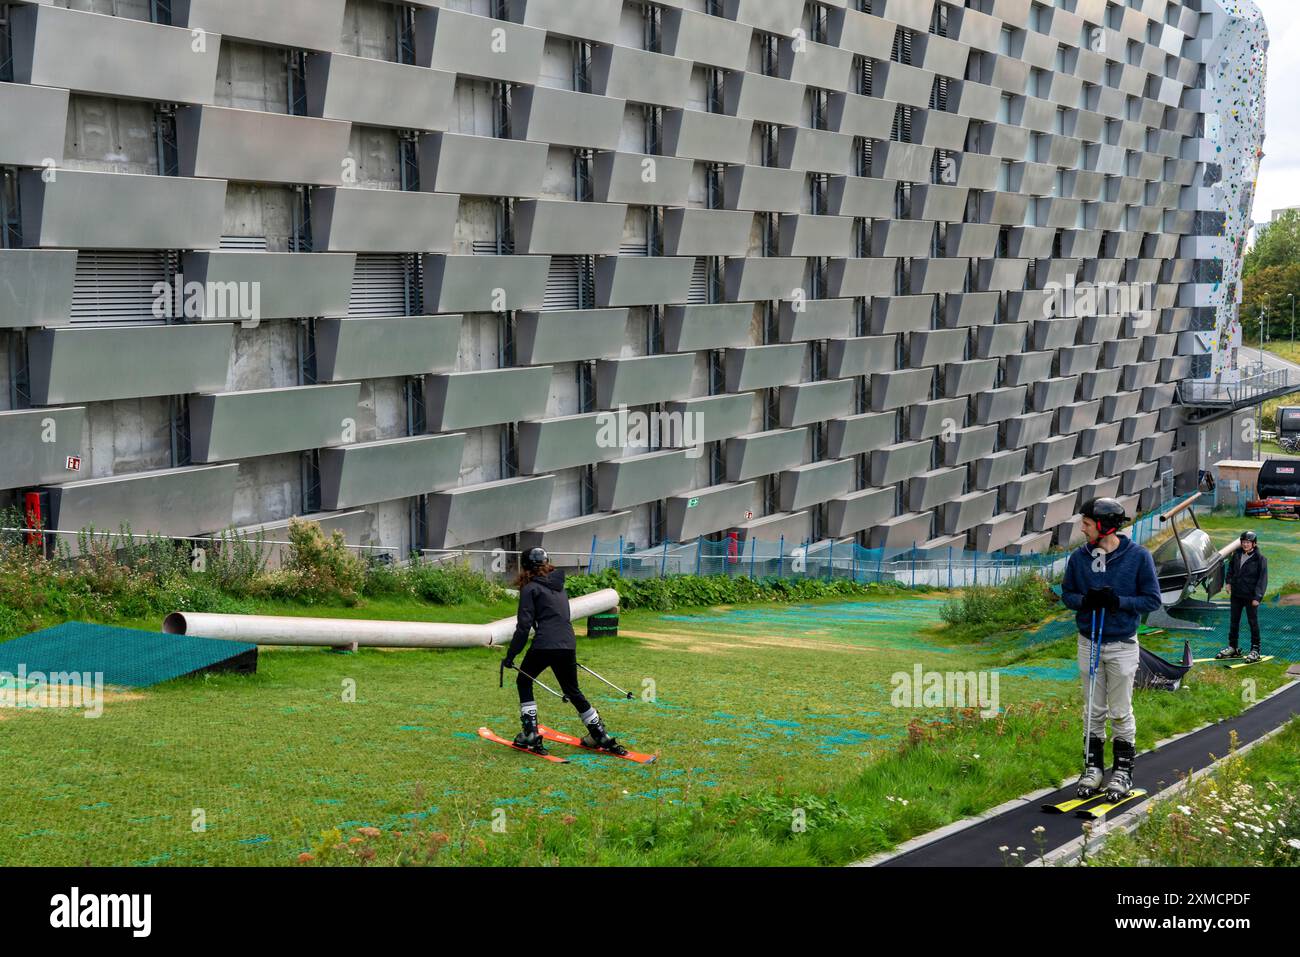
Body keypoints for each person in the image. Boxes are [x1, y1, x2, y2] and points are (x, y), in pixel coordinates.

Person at [1060, 498, 1163, 800]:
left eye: (1087, 524)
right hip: (1089, 642)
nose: (1082, 528)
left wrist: (1119, 602)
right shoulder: (1080, 558)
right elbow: (1068, 594)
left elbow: (1152, 600)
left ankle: (1123, 770)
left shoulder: (1138, 557)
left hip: (1122, 644)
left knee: (1119, 711)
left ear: (1104, 526)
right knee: (1092, 708)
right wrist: (1085, 601)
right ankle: (1093, 768)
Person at [503, 547, 626, 756]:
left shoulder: (530, 588)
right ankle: (599, 735)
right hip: (567, 643)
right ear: (546, 562)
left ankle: (530, 734)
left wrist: (511, 655)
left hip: (544, 644)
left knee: (524, 680)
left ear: (524, 567)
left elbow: (523, 627)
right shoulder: (559, 587)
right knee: (572, 690)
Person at [1219, 530, 1267, 663]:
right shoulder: (1237, 555)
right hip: (1236, 595)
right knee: (1234, 621)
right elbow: (1231, 570)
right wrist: (1228, 583)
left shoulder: (1260, 559)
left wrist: (1258, 597)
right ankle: (1233, 647)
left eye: (1248, 542)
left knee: (1253, 623)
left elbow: (1262, 580)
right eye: (1243, 542)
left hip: (1251, 597)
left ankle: (1255, 649)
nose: (1245, 544)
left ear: (1254, 544)